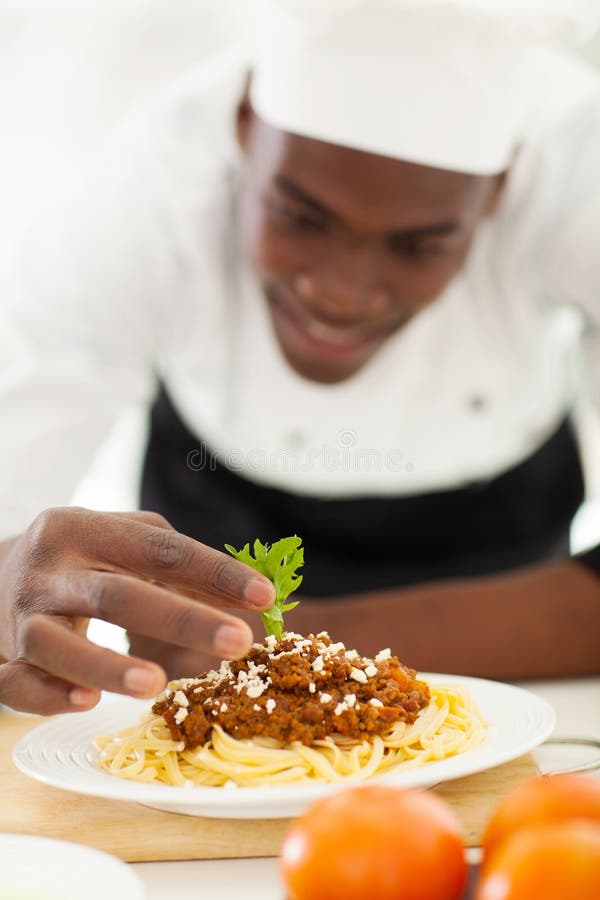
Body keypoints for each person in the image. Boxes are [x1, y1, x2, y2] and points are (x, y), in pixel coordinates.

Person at [1, 0, 600, 716]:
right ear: (244, 128)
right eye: (298, 214)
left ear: (501, 188)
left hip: (505, 570)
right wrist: (17, 582)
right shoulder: (141, 199)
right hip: (213, 534)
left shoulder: (580, 174)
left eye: (420, 245)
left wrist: (287, 641)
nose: (340, 295)